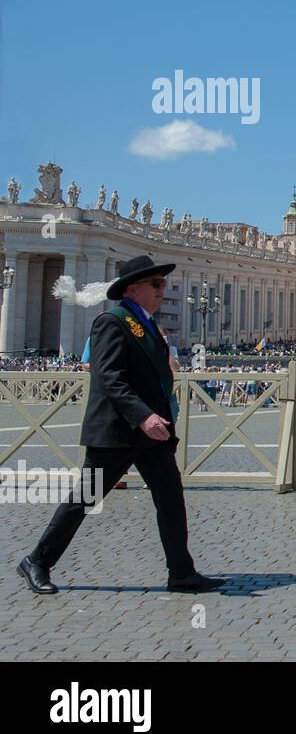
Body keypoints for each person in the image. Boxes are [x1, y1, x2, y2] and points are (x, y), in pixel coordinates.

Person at [18, 255, 226, 595]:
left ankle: (181, 573)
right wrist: (142, 415)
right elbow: (109, 377)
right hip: (117, 432)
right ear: (132, 289)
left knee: (171, 499)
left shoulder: (147, 324)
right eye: (155, 284)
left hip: (152, 435)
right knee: (84, 499)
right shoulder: (111, 322)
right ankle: (36, 561)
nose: (162, 290)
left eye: (163, 284)